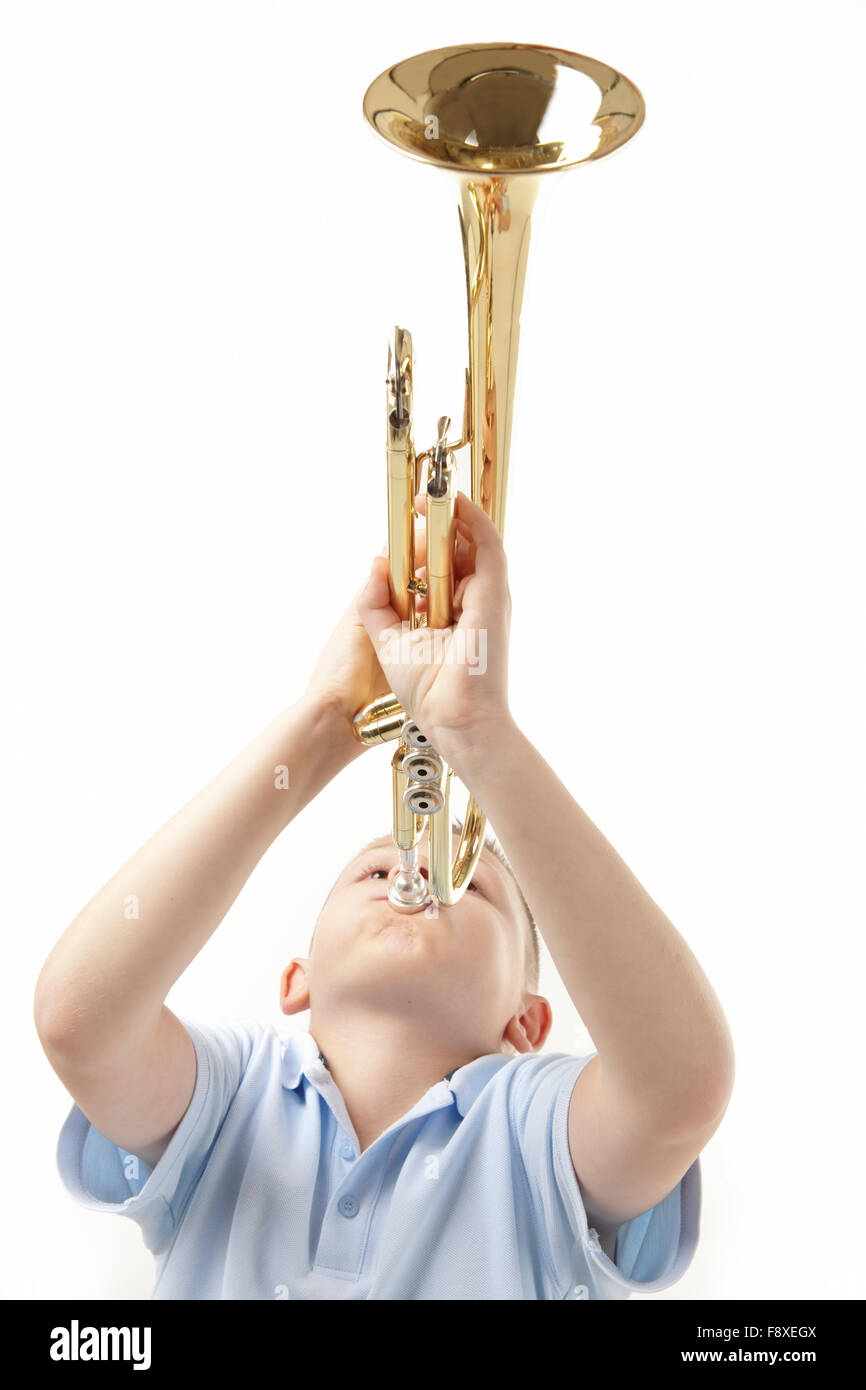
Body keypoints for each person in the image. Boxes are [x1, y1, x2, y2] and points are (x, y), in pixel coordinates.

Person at [34, 490, 734, 1300]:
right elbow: (78, 1019)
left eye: (473, 885)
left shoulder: (538, 1129)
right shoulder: (233, 1095)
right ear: (297, 980)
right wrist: (325, 721)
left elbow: (680, 1088)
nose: (416, 868)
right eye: (372, 869)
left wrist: (482, 736)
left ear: (526, 1022)